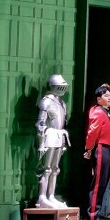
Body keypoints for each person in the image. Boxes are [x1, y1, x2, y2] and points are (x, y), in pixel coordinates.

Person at [82, 83, 110, 220]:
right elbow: (92, 132)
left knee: (103, 182)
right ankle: (93, 214)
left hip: (109, 148)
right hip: (102, 148)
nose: (109, 98)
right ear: (98, 99)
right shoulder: (98, 111)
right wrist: (89, 148)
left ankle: (95, 212)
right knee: (99, 183)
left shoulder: (105, 111)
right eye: (106, 96)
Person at [34, 74, 71, 208]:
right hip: (49, 135)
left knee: (55, 169)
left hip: (59, 136)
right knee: (46, 168)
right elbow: (40, 123)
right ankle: (42, 197)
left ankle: (51, 195)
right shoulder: (46, 101)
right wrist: (41, 143)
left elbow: (62, 123)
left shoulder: (61, 103)